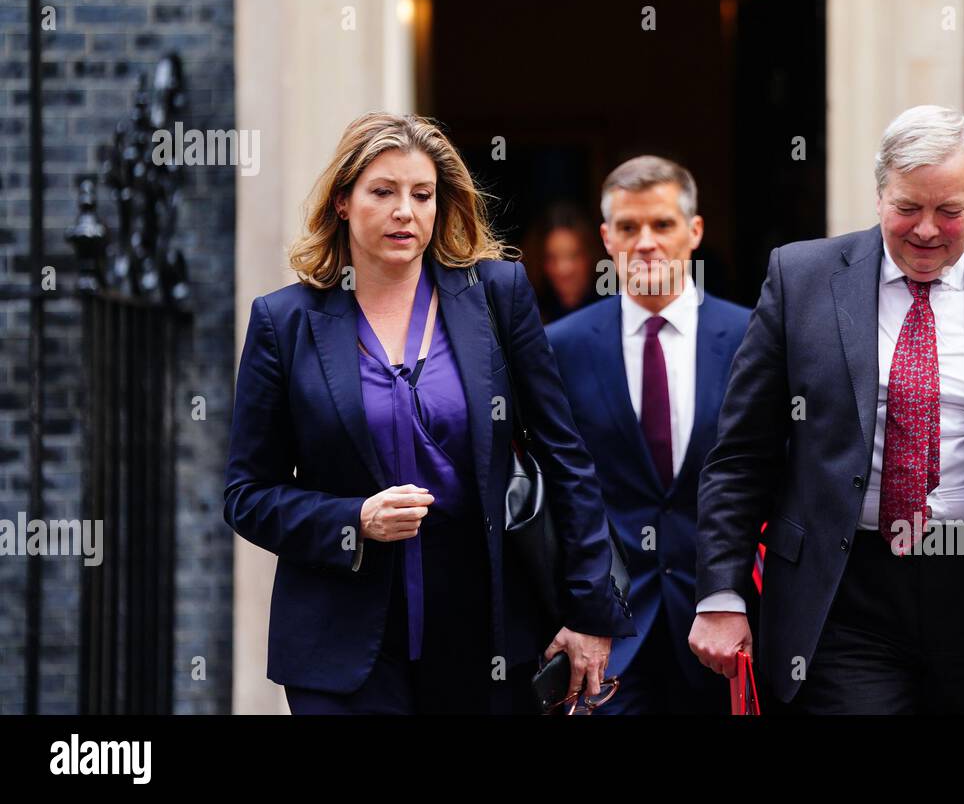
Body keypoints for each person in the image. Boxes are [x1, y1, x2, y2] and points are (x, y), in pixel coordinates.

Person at [689, 105, 964, 715]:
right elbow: (742, 454)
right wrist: (722, 592)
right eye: (907, 208)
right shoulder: (799, 279)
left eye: (949, 211)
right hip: (847, 594)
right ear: (879, 195)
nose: (926, 229)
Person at [224, 112, 634, 714]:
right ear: (342, 201)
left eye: (422, 195)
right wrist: (353, 519)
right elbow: (247, 494)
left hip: (486, 629)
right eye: (383, 192)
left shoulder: (498, 295)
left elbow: (564, 456)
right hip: (342, 644)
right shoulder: (282, 323)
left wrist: (591, 611)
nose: (405, 212)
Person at [547, 156, 752, 713]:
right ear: (607, 237)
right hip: (607, 635)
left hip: (722, 626)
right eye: (630, 227)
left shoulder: (752, 337)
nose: (646, 243)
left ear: (695, 231)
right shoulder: (560, 347)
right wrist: (573, 611)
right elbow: (556, 489)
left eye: (662, 225)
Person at [523, 202, 601, 324]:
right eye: (552, 258)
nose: (564, 269)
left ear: (590, 257)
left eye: (573, 256)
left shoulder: (614, 312)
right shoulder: (529, 319)